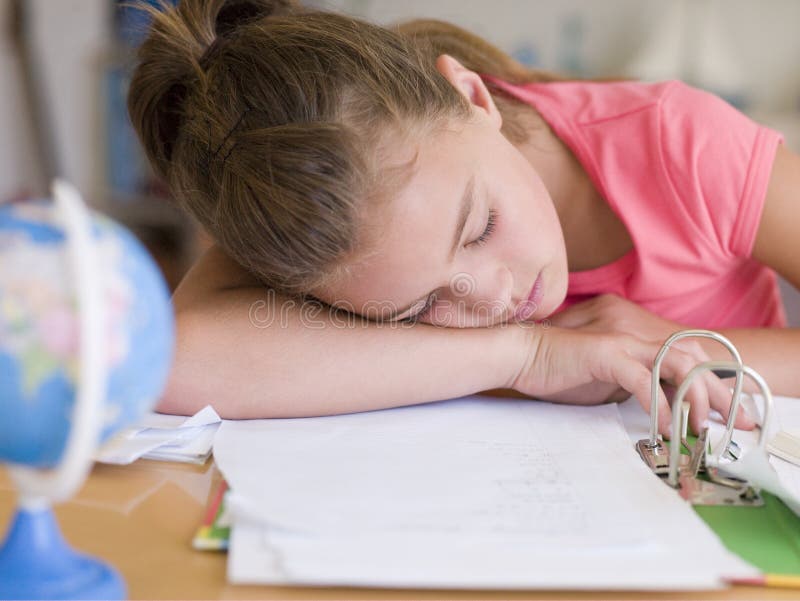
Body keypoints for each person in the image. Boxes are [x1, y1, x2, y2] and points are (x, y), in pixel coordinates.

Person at [127, 0, 798, 436]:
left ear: (473, 95)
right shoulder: (328, 206)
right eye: (417, 307)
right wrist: (521, 353)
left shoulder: (681, 146)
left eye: (480, 227)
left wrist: (678, 346)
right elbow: (179, 358)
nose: (493, 296)